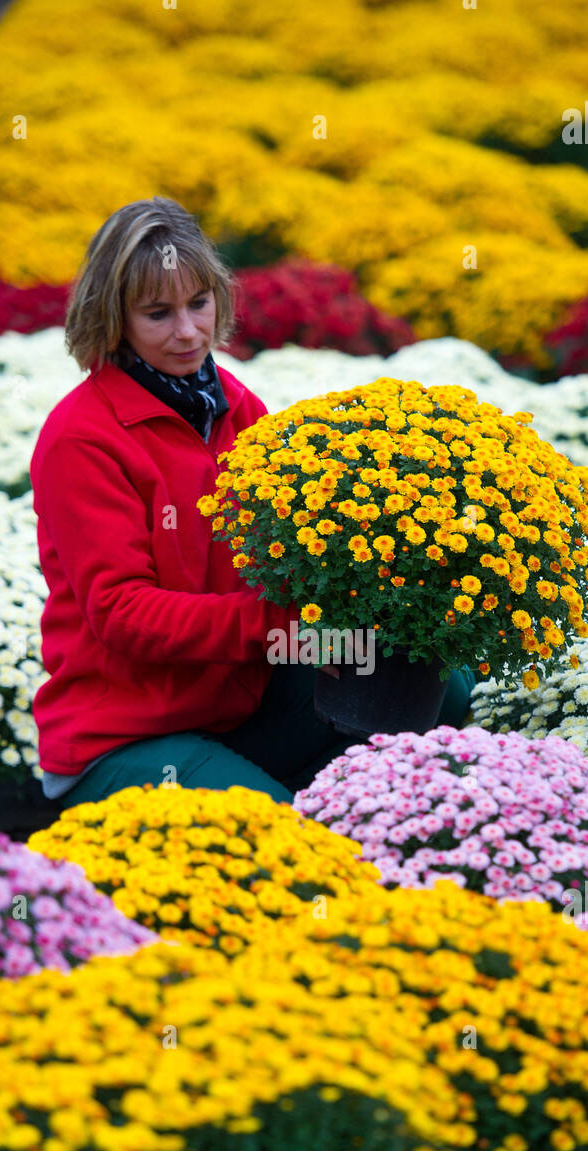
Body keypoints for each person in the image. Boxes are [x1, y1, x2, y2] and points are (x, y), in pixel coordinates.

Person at [30, 196, 474, 810]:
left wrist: (377, 602)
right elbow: (122, 613)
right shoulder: (82, 438)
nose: (188, 331)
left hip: (239, 699)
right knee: (288, 840)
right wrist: (291, 631)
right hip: (126, 734)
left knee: (433, 685)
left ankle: (369, 827)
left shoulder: (232, 403)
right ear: (113, 319)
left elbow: (279, 557)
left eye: (199, 304)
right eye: (158, 313)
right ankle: (301, 826)